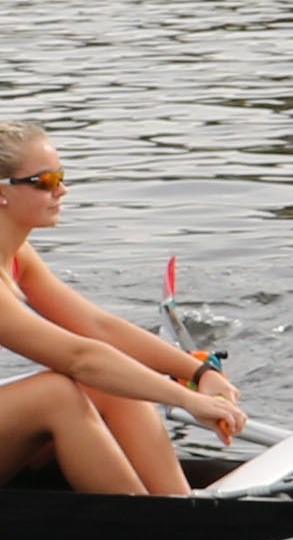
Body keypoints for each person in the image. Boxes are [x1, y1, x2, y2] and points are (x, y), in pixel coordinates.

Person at [1, 121, 247, 495]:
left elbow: (98, 328)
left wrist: (199, 371)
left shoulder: (18, 254)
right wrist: (188, 400)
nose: (62, 190)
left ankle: (177, 508)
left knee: (114, 386)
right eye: (45, 181)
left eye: (61, 176)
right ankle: (149, 534)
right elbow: (81, 357)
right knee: (57, 392)